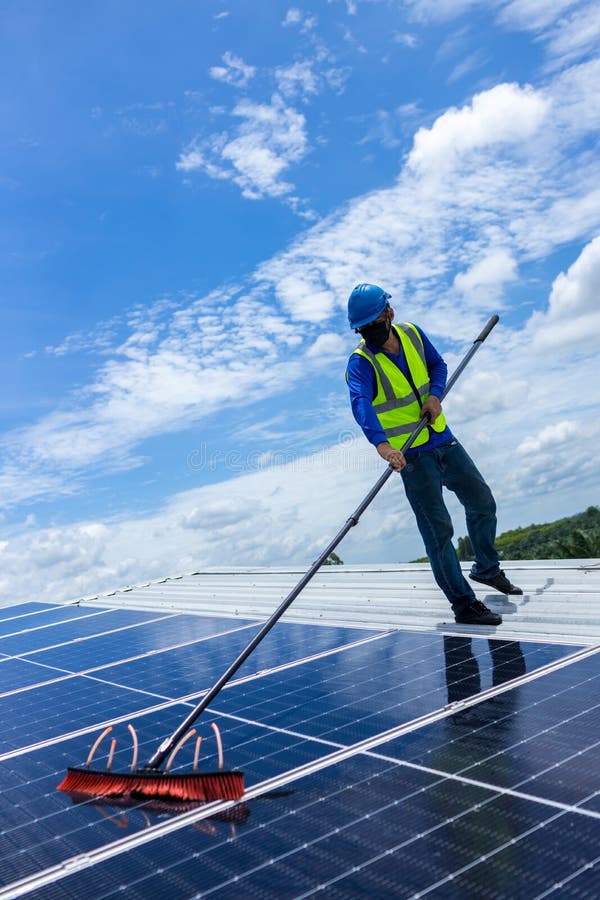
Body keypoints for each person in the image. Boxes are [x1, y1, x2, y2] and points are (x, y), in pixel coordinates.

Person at [345, 282, 522, 626]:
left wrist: (435, 395)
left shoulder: (411, 333)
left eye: (374, 324)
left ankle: (486, 568)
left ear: (389, 314)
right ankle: (463, 604)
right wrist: (383, 446)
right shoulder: (360, 362)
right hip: (410, 457)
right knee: (438, 531)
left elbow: (437, 366)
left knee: (482, 502)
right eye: (363, 328)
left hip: (441, 437)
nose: (370, 332)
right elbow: (361, 405)